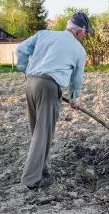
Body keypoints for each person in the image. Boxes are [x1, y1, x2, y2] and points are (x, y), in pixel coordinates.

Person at [16, 12, 93, 189]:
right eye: (86, 34)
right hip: (49, 87)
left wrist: (24, 69)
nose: (85, 37)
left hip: (30, 82)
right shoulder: (79, 50)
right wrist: (74, 99)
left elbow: (20, 49)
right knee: (43, 133)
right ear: (80, 32)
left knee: (37, 130)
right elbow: (76, 80)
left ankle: (43, 170)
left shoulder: (44, 34)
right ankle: (31, 180)